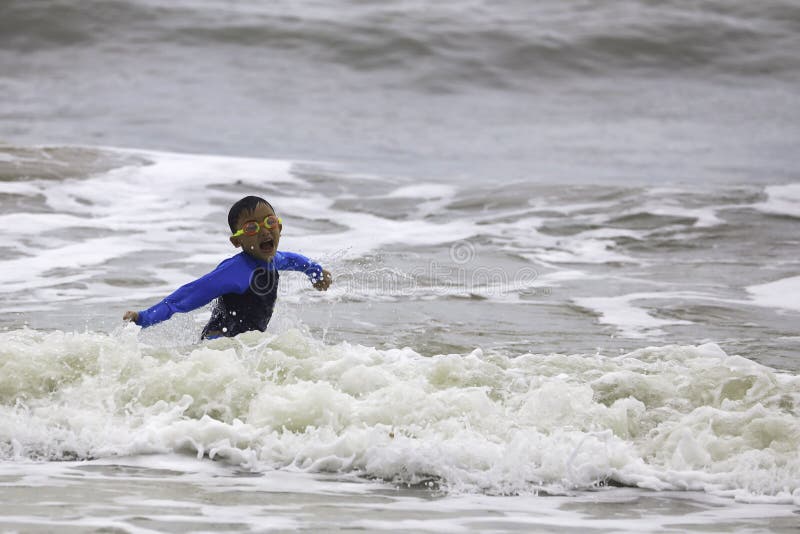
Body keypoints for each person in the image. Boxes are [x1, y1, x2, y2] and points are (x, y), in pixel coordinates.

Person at [123, 195, 331, 339]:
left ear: (280, 227)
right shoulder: (235, 271)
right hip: (219, 344)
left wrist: (316, 273)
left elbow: (296, 261)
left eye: (270, 222)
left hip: (246, 346)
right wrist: (144, 317)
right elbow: (186, 297)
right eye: (251, 227)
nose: (265, 231)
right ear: (237, 242)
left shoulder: (275, 259)